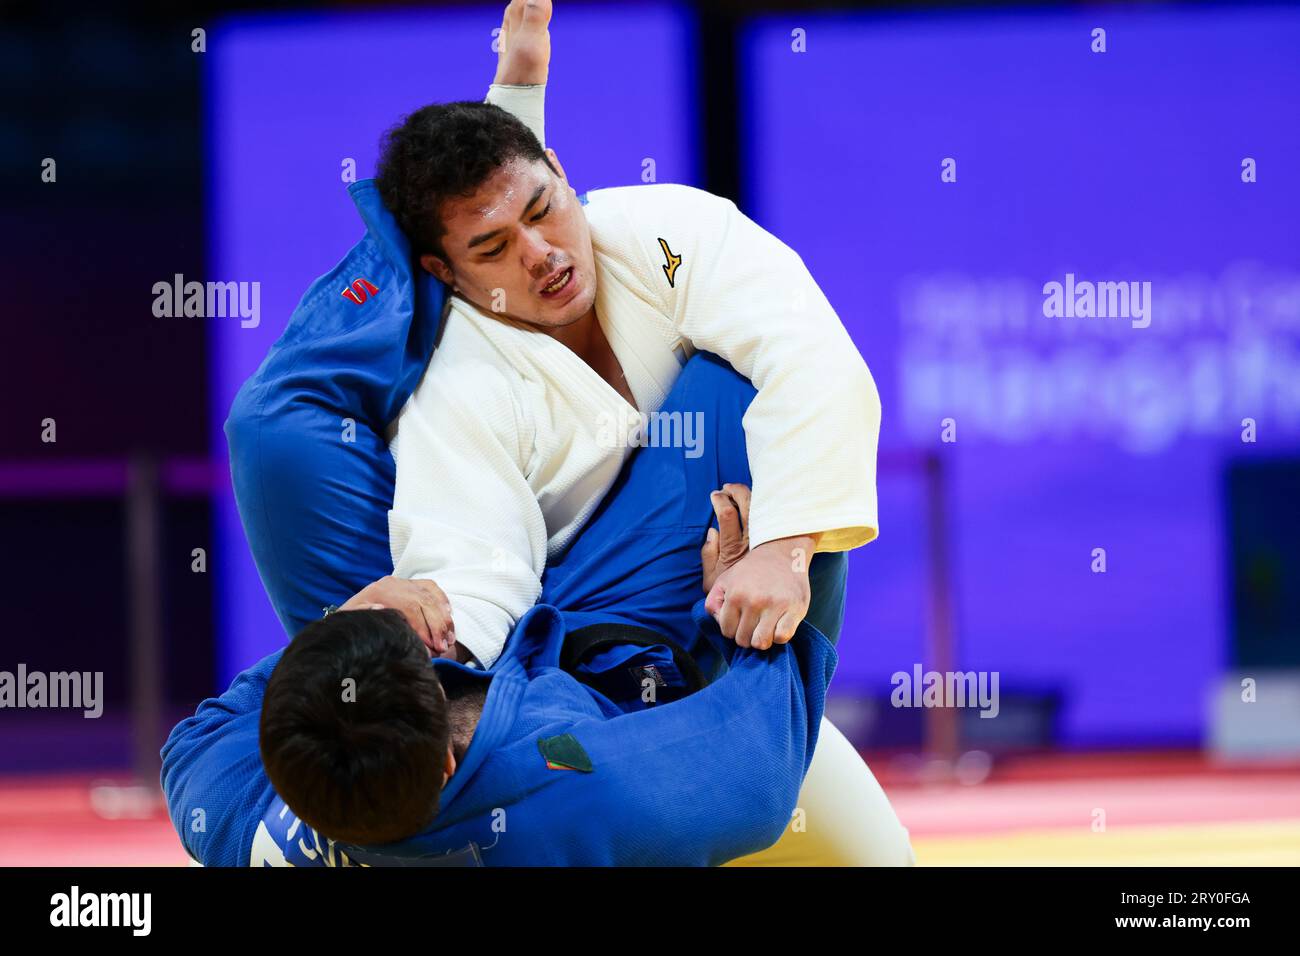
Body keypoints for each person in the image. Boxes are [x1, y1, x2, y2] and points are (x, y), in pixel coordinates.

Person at [213, 0, 911, 865]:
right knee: (274, 433)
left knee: (880, 862)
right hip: (583, 658)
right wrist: (401, 657)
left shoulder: (668, 230)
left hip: (716, 602)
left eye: (545, 207)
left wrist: (787, 546)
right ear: (446, 274)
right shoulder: (458, 383)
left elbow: (811, 353)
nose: (542, 253)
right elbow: (477, 565)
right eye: (494, 246)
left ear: (560, 167)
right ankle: (374, 796)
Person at [164, 354, 906, 866]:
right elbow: (763, 767)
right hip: (655, 695)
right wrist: (761, 589)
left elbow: (194, 744)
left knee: (271, 429)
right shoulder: (581, 793)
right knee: (745, 401)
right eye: (437, 657)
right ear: (452, 758)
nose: (443, 636)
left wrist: (342, 633)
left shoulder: (257, 826)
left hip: (548, 656)